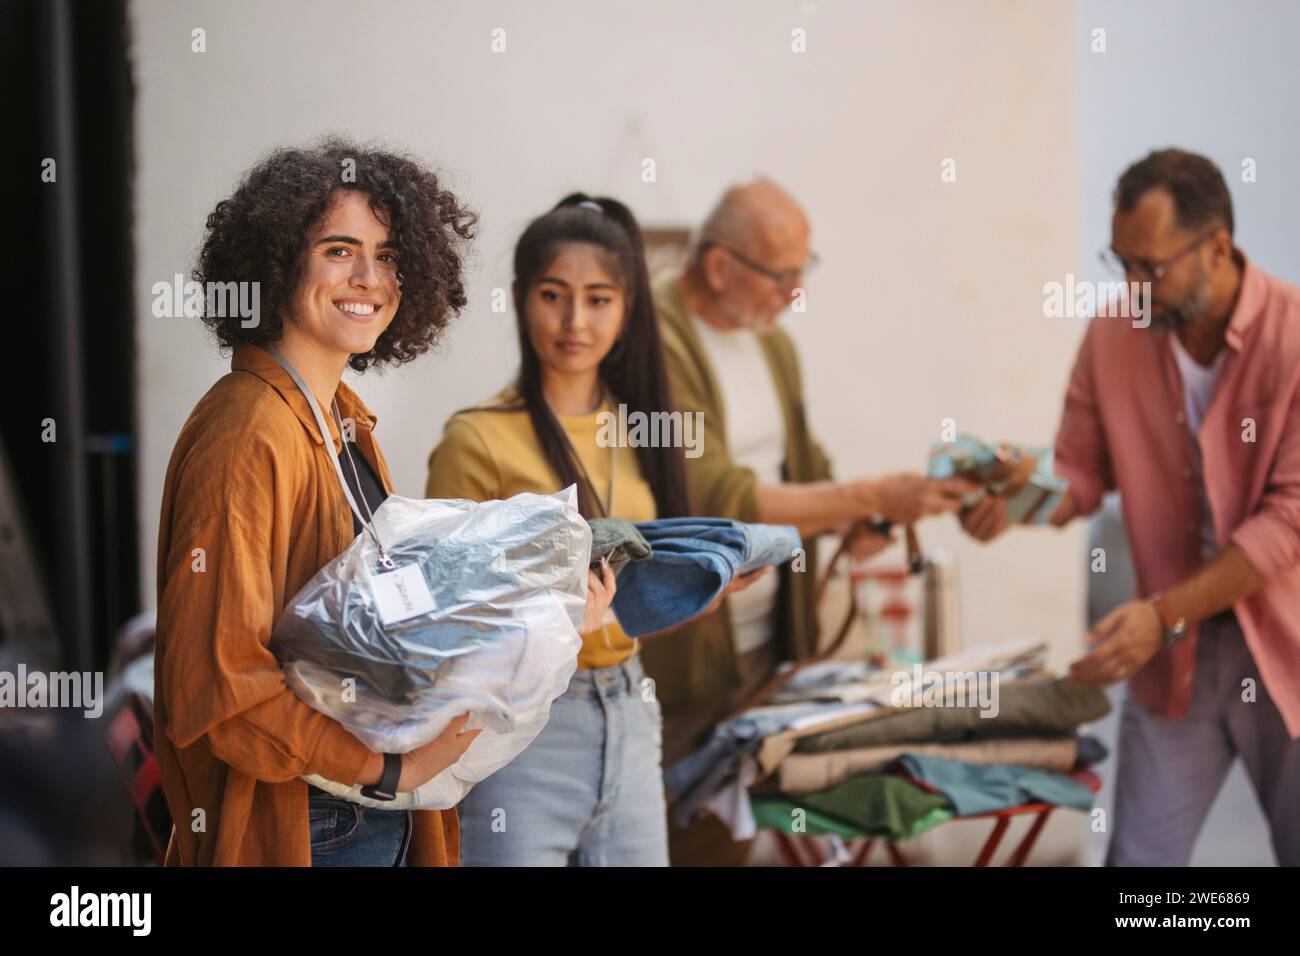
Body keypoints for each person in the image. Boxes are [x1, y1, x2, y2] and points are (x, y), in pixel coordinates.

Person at [962, 148, 1300, 866]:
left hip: (1283, 650)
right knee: (1139, 872)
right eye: (1121, 264)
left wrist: (1160, 614)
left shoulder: (1294, 337)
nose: (1133, 287)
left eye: (1151, 266)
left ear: (1217, 248)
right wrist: (1017, 495)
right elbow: (1079, 471)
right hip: (1170, 656)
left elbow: (1287, 521)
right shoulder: (1113, 333)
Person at [154, 138, 485, 866]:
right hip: (313, 823)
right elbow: (222, 686)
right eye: (339, 250)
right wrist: (389, 770)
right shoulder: (249, 430)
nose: (369, 278)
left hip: (360, 812)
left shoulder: (340, 419)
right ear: (275, 263)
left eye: (389, 256)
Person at [644, 178, 975, 865]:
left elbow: (803, 464)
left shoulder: (772, 344)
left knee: (728, 832)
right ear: (718, 266)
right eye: (781, 275)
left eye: (804, 270)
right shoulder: (656, 340)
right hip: (690, 639)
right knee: (668, 828)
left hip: (766, 635)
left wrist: (860, 515)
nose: (795, 292)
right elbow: (716, 496)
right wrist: (865, 494)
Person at [425, 194, 763, 866]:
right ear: (521, 298)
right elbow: (442, 621)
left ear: (628, 307)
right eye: (553, 295)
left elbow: (632, 595)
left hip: (630, 709)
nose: (575, 321)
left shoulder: (646, 430)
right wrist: (554, 619)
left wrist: (696, 590)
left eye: (599, 299)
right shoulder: (476, 439)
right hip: (523, 727)